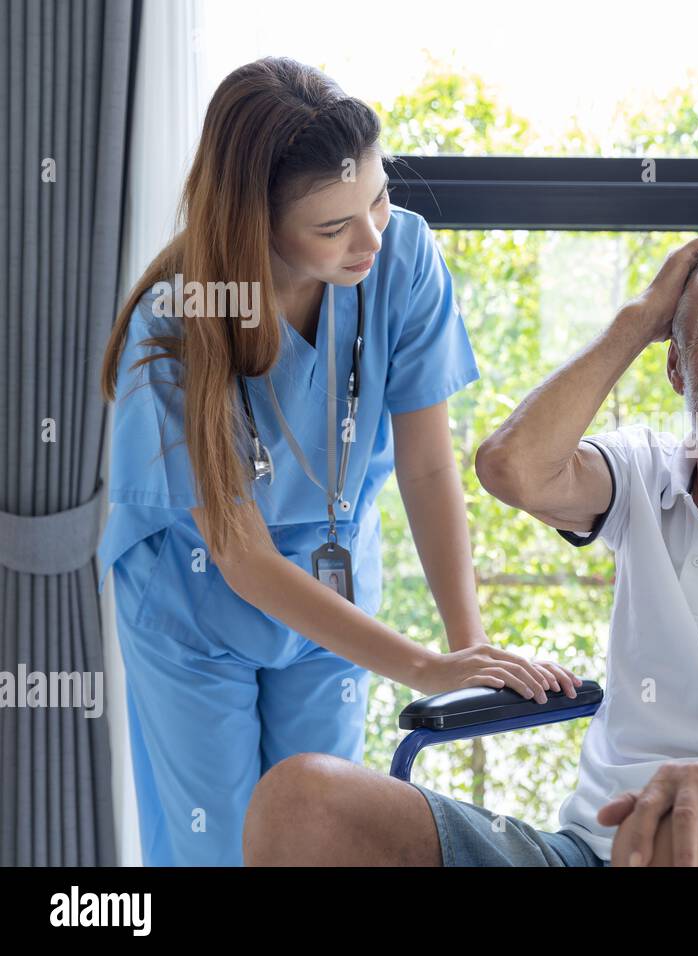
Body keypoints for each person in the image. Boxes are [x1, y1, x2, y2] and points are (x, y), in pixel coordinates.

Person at [240, 231, 698, 867]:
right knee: (301, 801)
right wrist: (639, 318)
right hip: (593, 848)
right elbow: (512, 468)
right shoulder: (644, 468)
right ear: (676, 366)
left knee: (681, 844)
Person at [97, 57, 578, 867]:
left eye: (381, 197)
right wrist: (421, 663)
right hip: (196, 599)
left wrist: (469, 655)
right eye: (333, 228)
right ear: (256, 225)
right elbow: (240, 554)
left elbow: (428, 469)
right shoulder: (178, 325)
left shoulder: (404, 258)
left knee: (312, 833)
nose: (372, 238)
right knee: (215, 843)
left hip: (330, 591)